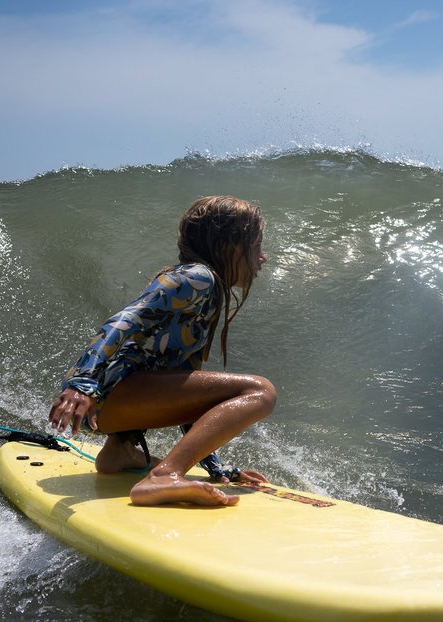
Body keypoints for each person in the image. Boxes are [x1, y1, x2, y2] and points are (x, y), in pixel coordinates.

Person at [47, 195, 276, 507]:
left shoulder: (204, 290)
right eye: (256, 245)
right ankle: (164, 476)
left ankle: (120, 451)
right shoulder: (197, 278)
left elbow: (187, 385)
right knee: (260, 392)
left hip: (112, 404)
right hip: (101, 397)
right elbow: (124, 320)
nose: (262, 257)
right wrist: (81, 383)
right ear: (231, 245)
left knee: (174, 370)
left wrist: (216, 468)